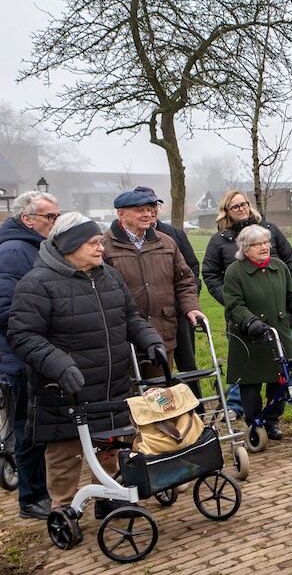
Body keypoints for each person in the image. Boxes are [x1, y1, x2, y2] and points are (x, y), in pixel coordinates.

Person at [6, 212, 167, 511]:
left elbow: (129, 317)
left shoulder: (109, 276)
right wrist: (60, 364)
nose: (100, 248)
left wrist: (150, 340)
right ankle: (64, 509)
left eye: (100, 242)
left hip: (112, 386)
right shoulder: (37, 283)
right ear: (69, 246)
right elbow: (23, 335)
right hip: (65, 389)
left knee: (110, 447)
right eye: (92, 243)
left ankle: (111, 499)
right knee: (65, 454)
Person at [201, 190, 292, 416]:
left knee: (284, 355)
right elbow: (210, 275)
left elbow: (290, 261)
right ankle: (236, 406)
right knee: (246, 363)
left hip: (277, 305)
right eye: (235, 206)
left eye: (244, 204)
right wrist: (232, 299)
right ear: (226, 212)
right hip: (243, 314)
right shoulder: (220, 241)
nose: (242, 208)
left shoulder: (270, 230)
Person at [222, 225, 292, 442]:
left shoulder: (280, 267)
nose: (264, 247)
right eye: (257, 244)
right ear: (245, 248)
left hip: (277, 335)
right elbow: (234, 304)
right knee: (250, 384)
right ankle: (254, 423)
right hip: (249, 337)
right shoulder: (235, 272)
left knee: (279, 380)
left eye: (265, 242)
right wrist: (250, 321)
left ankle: (271, 421)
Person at [103, 190, 205, 379]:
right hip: (124, 338)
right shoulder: (104, 246)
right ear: (121, 214)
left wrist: (191, 307)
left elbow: (185, 280)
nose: (147, 214)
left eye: (150, 209)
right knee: (132, 398)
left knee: (160, 395)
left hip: (162, 333)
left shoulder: (166, 243)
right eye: (139, 210)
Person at [0, 191, 57, 519]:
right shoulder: (12, 251)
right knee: (28, 428)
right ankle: (31, 498)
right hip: (22, 357)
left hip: (40, 353)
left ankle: (43, 489)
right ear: (28, 219)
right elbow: (6, 309)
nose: (54, 221)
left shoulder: (36, 246)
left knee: (40, 426)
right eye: (50, 216)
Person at [134, 185, 204, 400]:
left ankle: (196, 408)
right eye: (145, 206)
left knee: (187, 363)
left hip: (176, 312)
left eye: (154, 205)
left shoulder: (173, 234)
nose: (151, 210)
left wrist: (185, 303)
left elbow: (191, 270)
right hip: (141, 317)